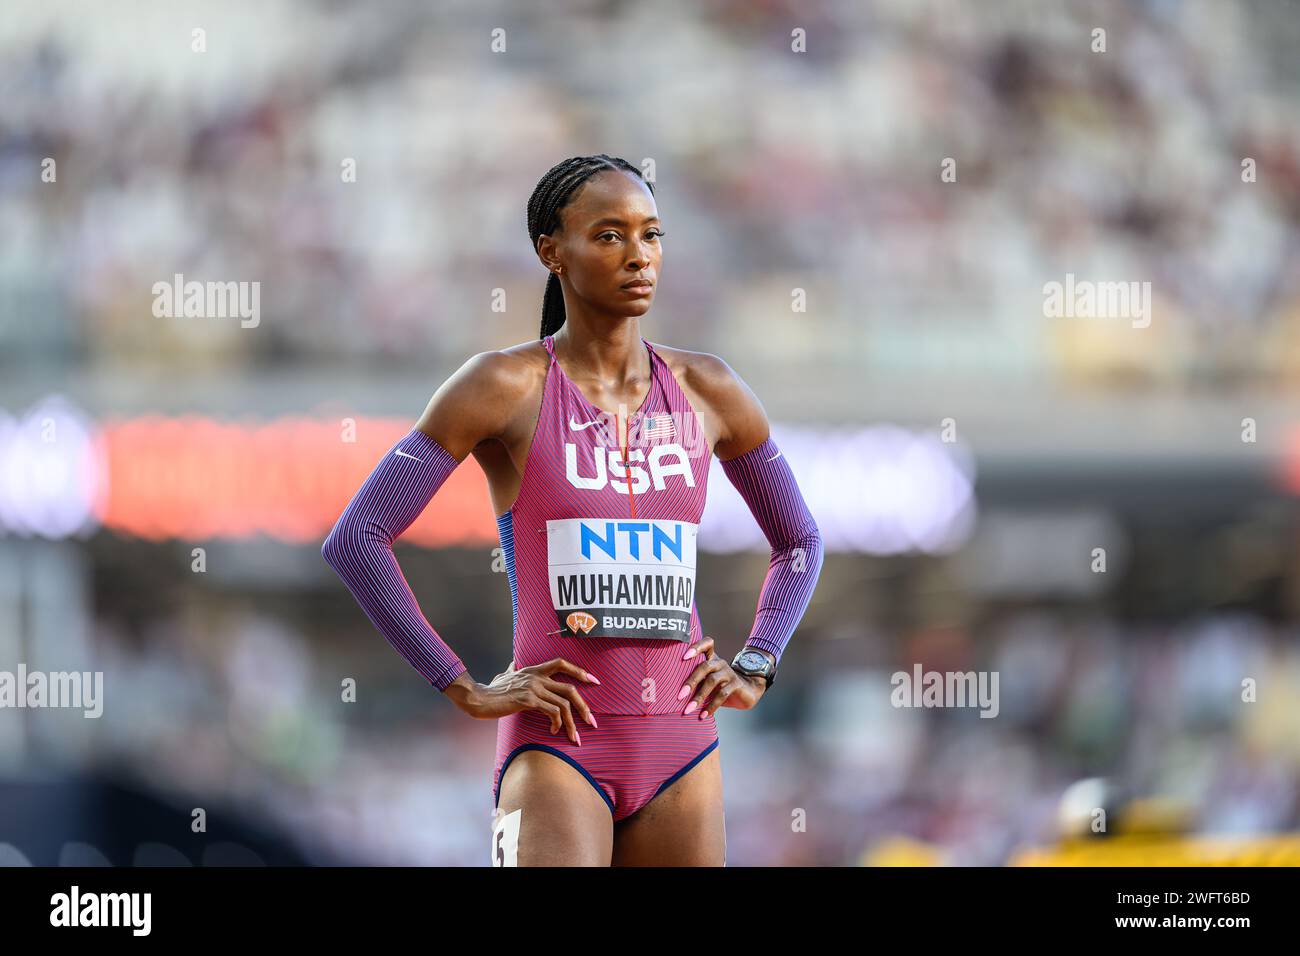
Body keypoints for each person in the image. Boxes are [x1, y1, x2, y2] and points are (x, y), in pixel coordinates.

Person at [322, 154, 823, 866]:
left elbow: (799, 539)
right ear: (550, 251)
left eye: (652, 235)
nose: (639, 256)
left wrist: (758, 659)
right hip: (559, 748)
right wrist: (459, 684)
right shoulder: (503, 384)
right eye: (610, 235)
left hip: (683, 749)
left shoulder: (710, 388)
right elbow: (358, 538)